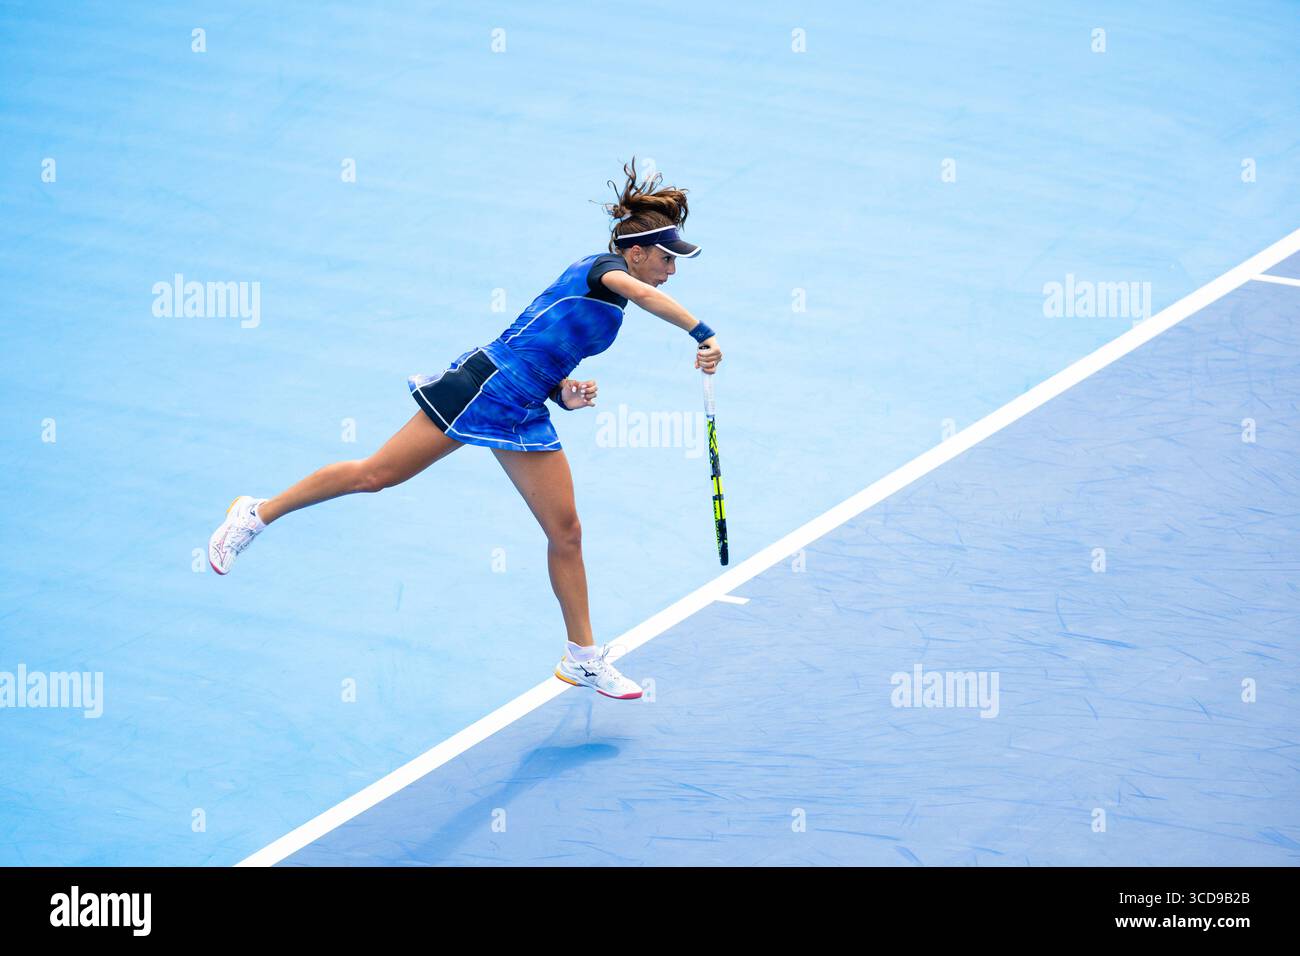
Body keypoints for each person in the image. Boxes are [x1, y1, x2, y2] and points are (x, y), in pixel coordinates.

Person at [208, 158, 722, 699]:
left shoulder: (612, 306)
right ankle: (256, 514)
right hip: (483, 385)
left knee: (566, 532)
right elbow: (644, 295)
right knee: (376, 475)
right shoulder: (602, 271)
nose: (672, 269)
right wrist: (702, 333)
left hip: (523, 404)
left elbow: (542, 348)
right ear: (634, 252)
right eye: (667, 258)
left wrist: (563, 394)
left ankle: (582, 658)